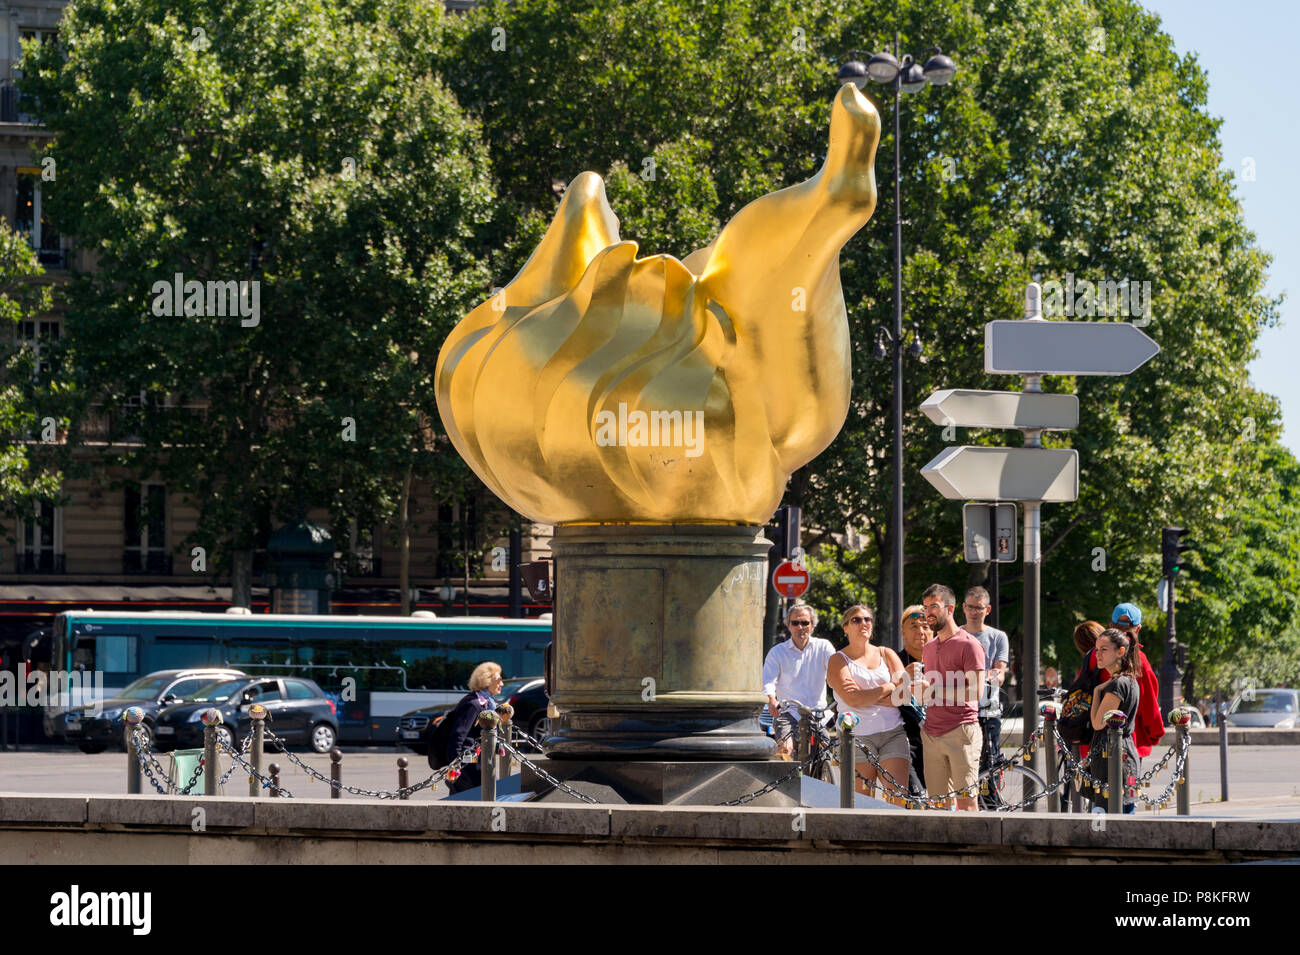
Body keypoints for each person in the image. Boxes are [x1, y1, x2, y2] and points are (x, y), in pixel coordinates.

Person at [827, 604, 911, 804]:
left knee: (898, 799)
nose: (863, 623)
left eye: (867, 619)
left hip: (893, 732)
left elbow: (905, 696)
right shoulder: (838, 660)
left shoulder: (887, 654)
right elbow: (853, 699)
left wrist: (867, 695)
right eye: (856, 620)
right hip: (856, 735)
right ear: (845, 627)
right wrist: (890, 686)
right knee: (861, 801)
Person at [917, 584, 986, 811]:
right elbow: (928, 694)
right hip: (932, 732)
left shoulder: (969, 644)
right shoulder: (928, 648)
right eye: (926, 607)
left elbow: (976, 691)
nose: (929, 613)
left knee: (967, 803)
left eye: (934, 606)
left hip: (962, 731)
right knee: (937, 805)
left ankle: (975, 847)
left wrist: (935, 690)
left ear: (950, 608)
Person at [762, 601, 835, 758]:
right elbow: (768, 681)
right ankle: (789, 782)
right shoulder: (777, 652)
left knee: (825, 754)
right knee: (785, 750)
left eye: (805, 623)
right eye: (795, 623)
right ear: (788, 625)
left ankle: (821, 779)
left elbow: (836, 674)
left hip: (817, 713)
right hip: (788, 711)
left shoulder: (824, 647)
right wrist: (771, 699)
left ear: (812, 626)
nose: (800, 627)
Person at [1083, 628, 1141, 813]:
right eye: (1096, 649)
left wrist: (1096, 691)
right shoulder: (1130, 680)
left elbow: (1098, 723)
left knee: (1105, 823)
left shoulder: (1117, 684)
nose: (1097, 655)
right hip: (1126, 756)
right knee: (1126, 816)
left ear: (1120, 652)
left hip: (1114, 760)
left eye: (1104, 649)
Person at [961, 586, 1009, 811]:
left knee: (989, 762)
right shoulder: (955, 635)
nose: (973, 612)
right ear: (963, 608)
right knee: (963, 762)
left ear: (987, 609)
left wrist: (980, 677)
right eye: (970, 607)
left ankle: (990, 805)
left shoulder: (998, 637)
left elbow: (999, 673)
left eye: (978, 608)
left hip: (988, 708)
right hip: (959, 708)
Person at [428, 661, 504, 794]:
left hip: (478, 763)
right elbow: (457, 737)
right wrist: (456, 768)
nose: (502, 684)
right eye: (499, 680)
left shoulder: (486, 703)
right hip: (469, 767)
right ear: (486, 681)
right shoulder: (474, 704)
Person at [1109, 603, 1165, 758]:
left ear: (1110, 625)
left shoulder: (1097, 654)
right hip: (1130, 740)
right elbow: (1148, 705)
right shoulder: (1139, 661)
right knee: (1129, 781)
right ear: (1138, 628)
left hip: (1095, 741)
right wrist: (1155, 734)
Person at [897, 605, 932, 796]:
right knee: (916, 800)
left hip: (938, 742)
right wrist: (902, 678)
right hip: (907, 743)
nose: (920, 631)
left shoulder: (942, 661)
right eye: (913, 626)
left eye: (925, 626)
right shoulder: (894, 661)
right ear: (903, 631)